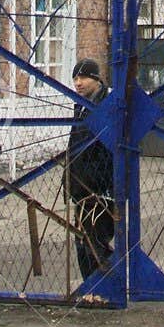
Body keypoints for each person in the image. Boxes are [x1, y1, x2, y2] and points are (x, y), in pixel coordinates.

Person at [65, 58, 114, 280]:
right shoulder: (80, 105)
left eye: (83, 77)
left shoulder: (108, 105)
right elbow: (74, 145)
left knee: (95, 244)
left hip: (101, 189)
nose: (78, 83)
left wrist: (99, 181)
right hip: (81, 187)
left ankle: (103, 286)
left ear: (96, 79)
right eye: (75, 78)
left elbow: (109, 150)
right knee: (83, 242)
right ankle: (93, 287)